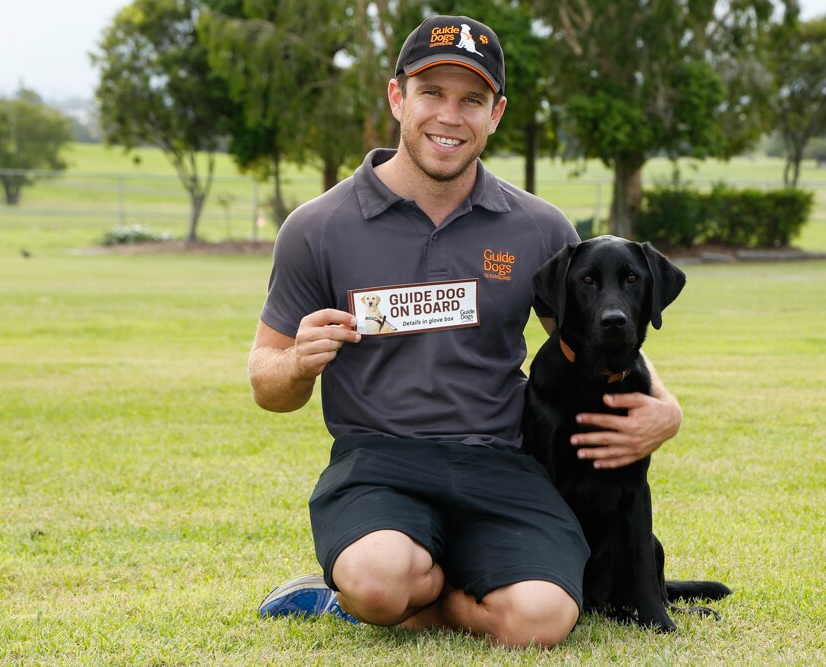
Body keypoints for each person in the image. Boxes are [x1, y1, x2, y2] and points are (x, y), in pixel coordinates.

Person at [248, 15, 683, 648]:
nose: (449, 116)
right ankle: (365, 589)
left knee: (543, 620)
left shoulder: (538, 227)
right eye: (432, 93)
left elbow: (594, 332)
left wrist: (665, 407)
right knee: (377, 581)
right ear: (398, 97)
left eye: (471, 100)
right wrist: (297, 363)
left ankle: (428, 594)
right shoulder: (317, 227)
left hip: (502, 464)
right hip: (380, 462)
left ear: (495, 113)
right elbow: (267, 383)